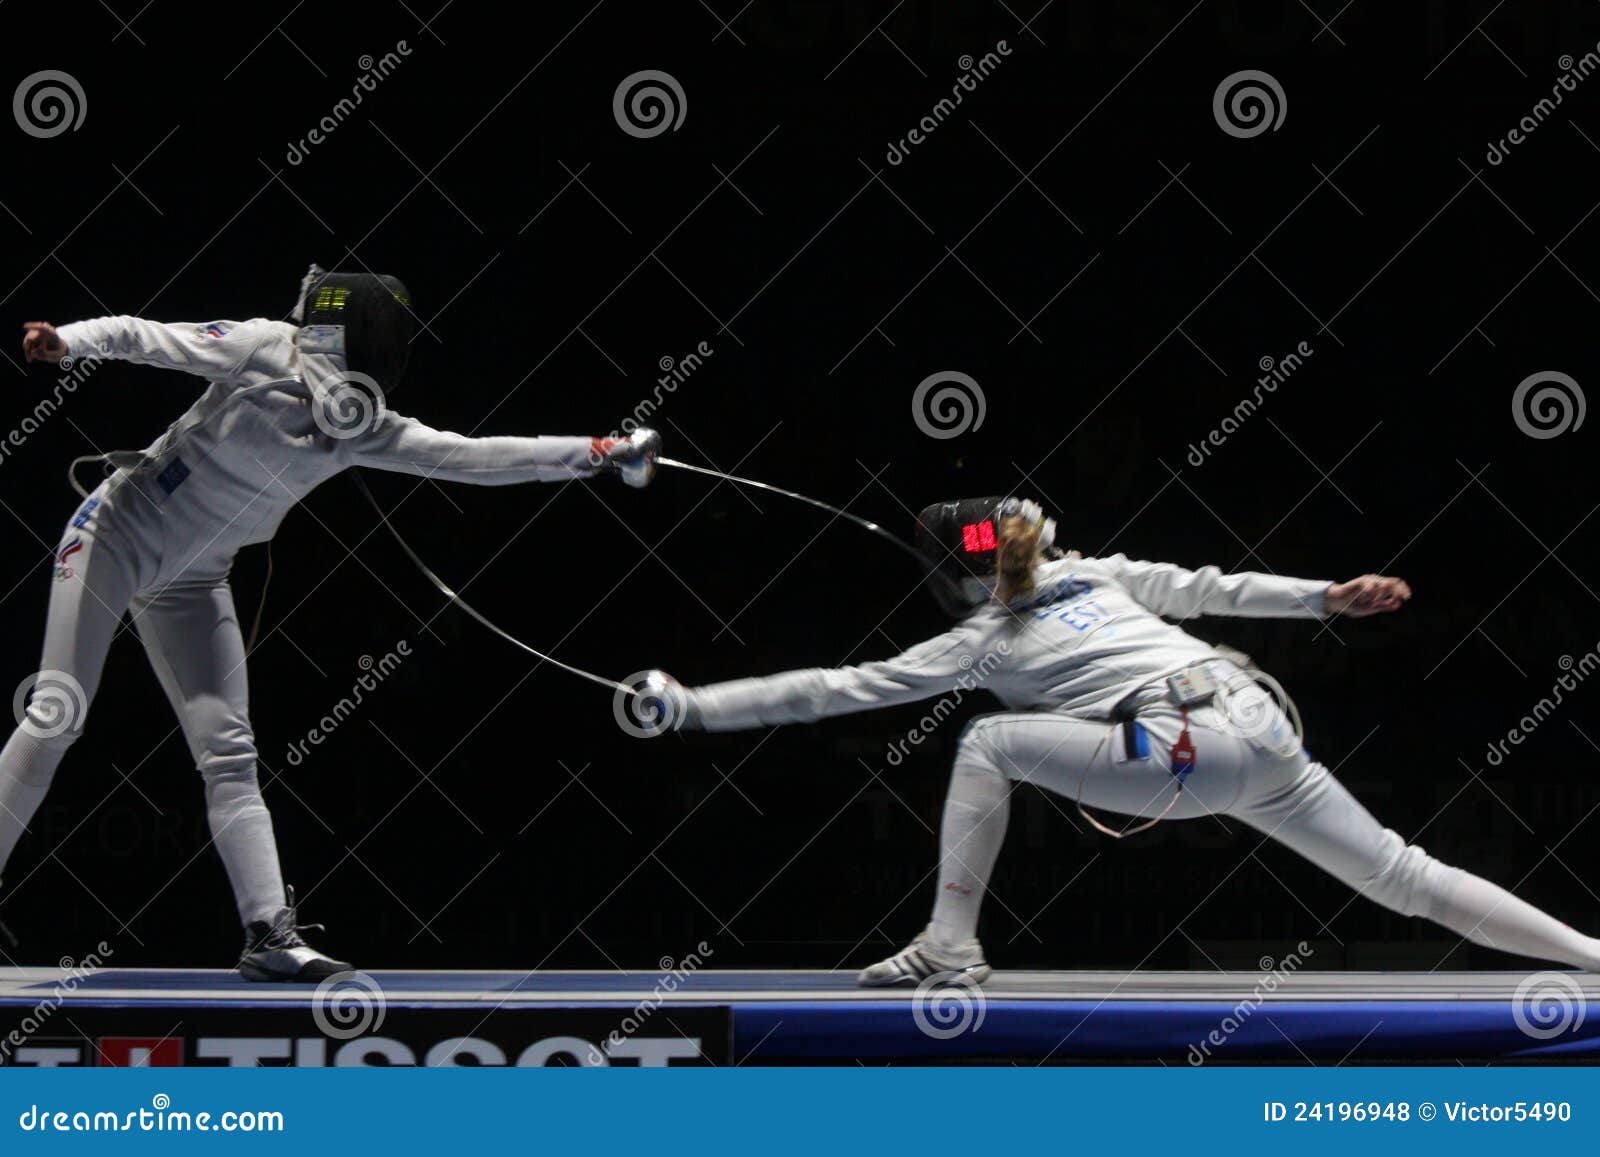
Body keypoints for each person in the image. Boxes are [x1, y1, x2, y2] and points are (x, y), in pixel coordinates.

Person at [2, 267, 660, 981]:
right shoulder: (260, 348)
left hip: (194, 578)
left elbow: (473, 458)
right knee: (56, 716)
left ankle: (268, 936)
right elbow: (147, 337)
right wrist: (67, 341)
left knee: (228, 751)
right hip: (113, 536)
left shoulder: (362, 428)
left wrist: (595, 452)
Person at [643, 496, 1600, 985]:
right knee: (1404, 873)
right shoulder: (1097, 572)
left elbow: (826, 691)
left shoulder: (981, 637)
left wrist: (690, 705)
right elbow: (1211, 587)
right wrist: (1323, 599)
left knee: (988, 742)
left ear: (954, 576)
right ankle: (1593, 956)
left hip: (1185, 746)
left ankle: (949, 945)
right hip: (1257, 724)